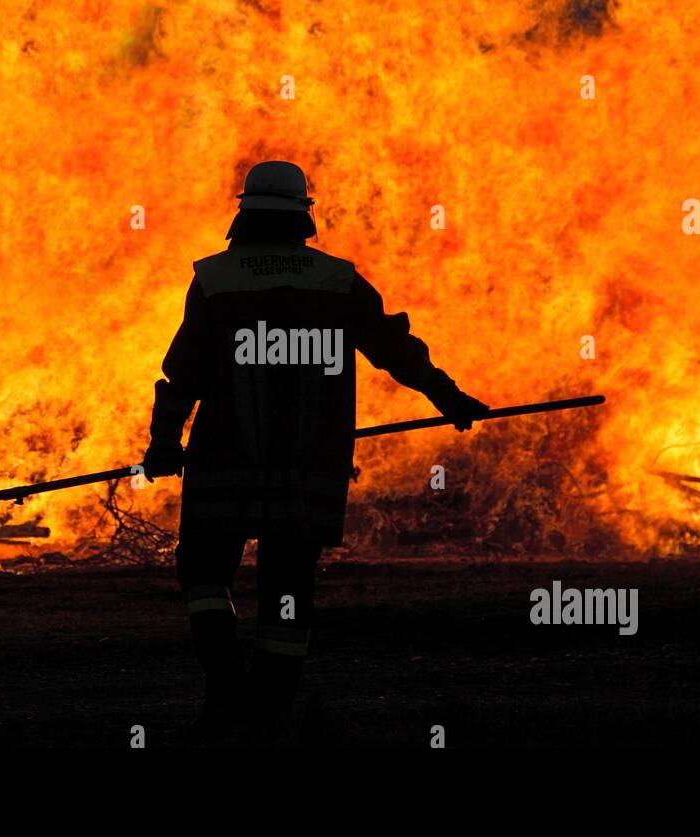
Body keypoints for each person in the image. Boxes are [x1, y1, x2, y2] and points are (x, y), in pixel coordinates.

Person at [142, 160, 489, 746]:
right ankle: (271, 714)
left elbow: (184, 376)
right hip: (310, 463)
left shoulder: (215, 279)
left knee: (203, 574)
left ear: (244, 213)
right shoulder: (338, 281)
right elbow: (394, 349)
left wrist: (163, 443)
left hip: (226, 457)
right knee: (288, 586)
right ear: (304, 215)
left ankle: (227, 697)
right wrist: (448, 396)